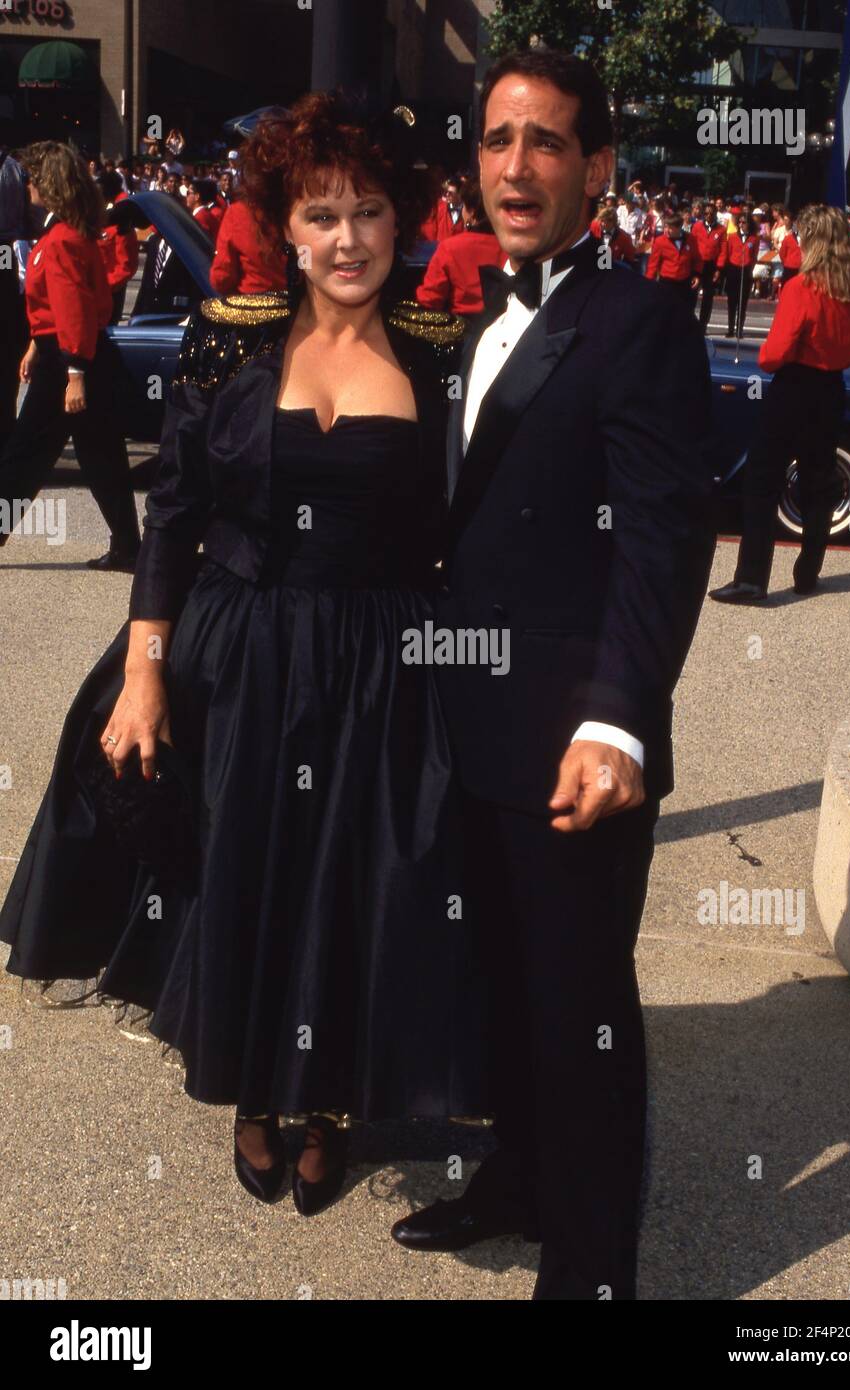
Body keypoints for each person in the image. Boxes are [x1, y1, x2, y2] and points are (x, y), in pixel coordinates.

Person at [0, 92, 487, 1215]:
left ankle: (325, 1106)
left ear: (402, 218)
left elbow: (475, 532)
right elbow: (172, 515)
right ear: (287, 223)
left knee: (345, 882)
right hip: (240, 652)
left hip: (378, 664)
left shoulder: (439, 352)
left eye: (370, 210)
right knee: (244, 870)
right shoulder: (229, 335)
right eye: (323, 213)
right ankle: (255, 1092)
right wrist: (141, 670)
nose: (349, 237)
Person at [390, 46, 715, 1301]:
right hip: (473, 721)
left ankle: (591, 1270)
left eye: (544, 141)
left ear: (595, 166)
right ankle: (516, 1183)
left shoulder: (638, 319)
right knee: (502, 983)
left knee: (581, 1010)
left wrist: (622, 722)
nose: (514, 164)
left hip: (573, 742)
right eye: (495, 138)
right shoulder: (483, 316)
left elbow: (661, 532)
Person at [710, 205, 850, 605]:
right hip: (831, 387)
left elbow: (772, 355)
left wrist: (773, 355)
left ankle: (751, 578)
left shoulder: (802, 287)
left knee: (762, 481)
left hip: (793, 388)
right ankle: (808, 572)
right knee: (820, 482)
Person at [0, 141, 141, 570]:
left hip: (67, 361)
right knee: (102, 455)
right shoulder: (71, 235)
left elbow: (74, 309)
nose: (28, 186)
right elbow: (76, 305)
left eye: (34, 179)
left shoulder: (60, 240)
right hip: (68, 355)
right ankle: (128, 546)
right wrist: (35, 346)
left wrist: (73, 369)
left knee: (24, 456)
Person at [415, 177, 501, 315]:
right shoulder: (512, 249)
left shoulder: (449, 248)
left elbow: (429, 299)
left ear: (471, 211)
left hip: (463, 330)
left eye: (464, 206)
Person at [0, 135, 31, 455]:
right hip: (10, 260)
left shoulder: (14, 170)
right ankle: (6, 429)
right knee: (7, 357)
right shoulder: (16, 170)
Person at [209, 193, 286, 295]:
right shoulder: (299, 209)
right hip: (302, 304)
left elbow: (221, 278)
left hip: (252, 303)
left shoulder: (238, 212)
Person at [96, 168, 139, 325]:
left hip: (110, 291)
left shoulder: (120, 221)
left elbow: (126, 265)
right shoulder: (99, 214)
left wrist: (106, 285)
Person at [645, 208, 701, 307]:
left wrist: (696, 274)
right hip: (667, 282)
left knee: (684, 312)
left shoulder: (691, 239)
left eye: (670, 228)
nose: (666, 230)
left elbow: (697, 259)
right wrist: (648, 283)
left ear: (679, 227)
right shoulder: (660, 241)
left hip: (685, 282)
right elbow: (653, 264)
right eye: (665, 227)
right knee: (666, 311)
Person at [717, 209, 758, 337]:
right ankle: (730, 328)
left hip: (746, 270)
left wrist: (749, 268)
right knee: (732, 301)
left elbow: (754, 256)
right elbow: (728, 253)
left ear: (749, 224)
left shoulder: (754, 239)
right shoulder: (733, 237)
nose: (741, 224)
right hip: (733, 269)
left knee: (742, 302)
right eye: (739, 222)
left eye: (744, 222)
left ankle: (739, 329)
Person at [691, 200, 725, 332]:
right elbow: (692, 245)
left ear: (715, 214)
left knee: (708, 296)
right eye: (706, 213)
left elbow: (723, 250)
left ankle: (703, 324)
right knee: (692, 295)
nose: (708, 216)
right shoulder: (697, 227)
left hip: (711, 265)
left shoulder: (721, 230)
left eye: (711, 214)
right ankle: (690, 322)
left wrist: (719, 268)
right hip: (697, 264)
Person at [589, 201, 637, 267]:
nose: (602, 224)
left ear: (613, 223)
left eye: (606, 222)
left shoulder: (625, 237)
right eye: (601, 220)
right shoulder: (594, 225)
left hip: (612, 267)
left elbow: (629, 258)